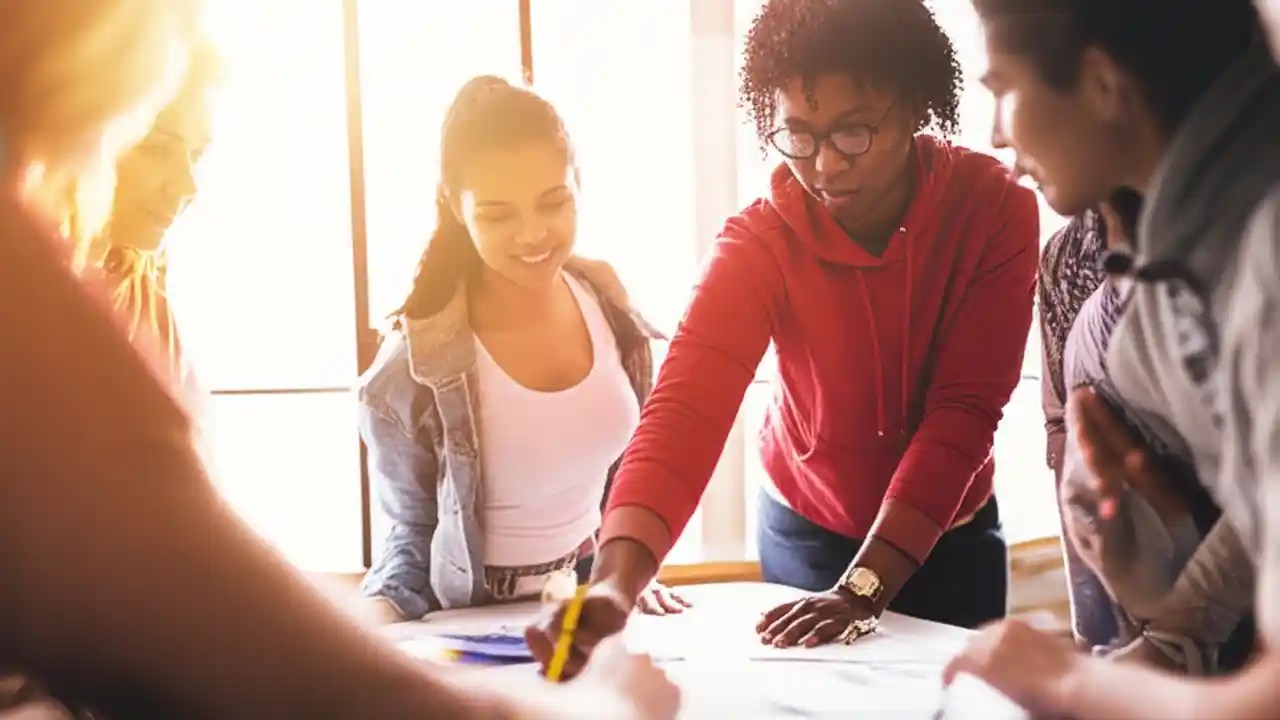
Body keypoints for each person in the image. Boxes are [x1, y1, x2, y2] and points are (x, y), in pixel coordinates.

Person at [0, 3, 679, 718]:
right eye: (138, 136)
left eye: (196, 154)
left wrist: (615, 572)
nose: (186, 187)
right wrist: (604, 707)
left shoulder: (132, 288)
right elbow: (206, 601)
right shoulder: (33, 319)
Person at [528, 0, 1039, 673]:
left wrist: (865, 589)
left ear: (916, 105)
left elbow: (964, 415)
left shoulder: (997, 208)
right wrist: (615, 587)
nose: (825, 164)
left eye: (853, 133)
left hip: (951, 537)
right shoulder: (758, 242)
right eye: (798, 135)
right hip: (806, 532)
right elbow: (685, 412)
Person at [944, 0, 1280, 716]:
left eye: (1003, 88)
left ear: (1101, 85)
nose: (998, 135)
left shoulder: (1263, 249)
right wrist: (1159, 569)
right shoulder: (1162, 278)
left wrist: (1072, 684)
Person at [358, 75, 687, 624]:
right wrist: (373, 632)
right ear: (455, 207)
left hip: (585, 593)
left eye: (553, 202)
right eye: (498, 214)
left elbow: (626, 471)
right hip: (470, 609)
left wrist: (625, 567)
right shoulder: (410, 368)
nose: (532, 234)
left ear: (578, 183)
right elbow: (412, 538)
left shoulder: (609, 305)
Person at [1046, 195, 1254, 674]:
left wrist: (1176, 637)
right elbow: (1064, 434)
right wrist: (1096, 632)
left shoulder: (1236, 251)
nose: (998, 135)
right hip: (1150, 623)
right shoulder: (1065, 260)